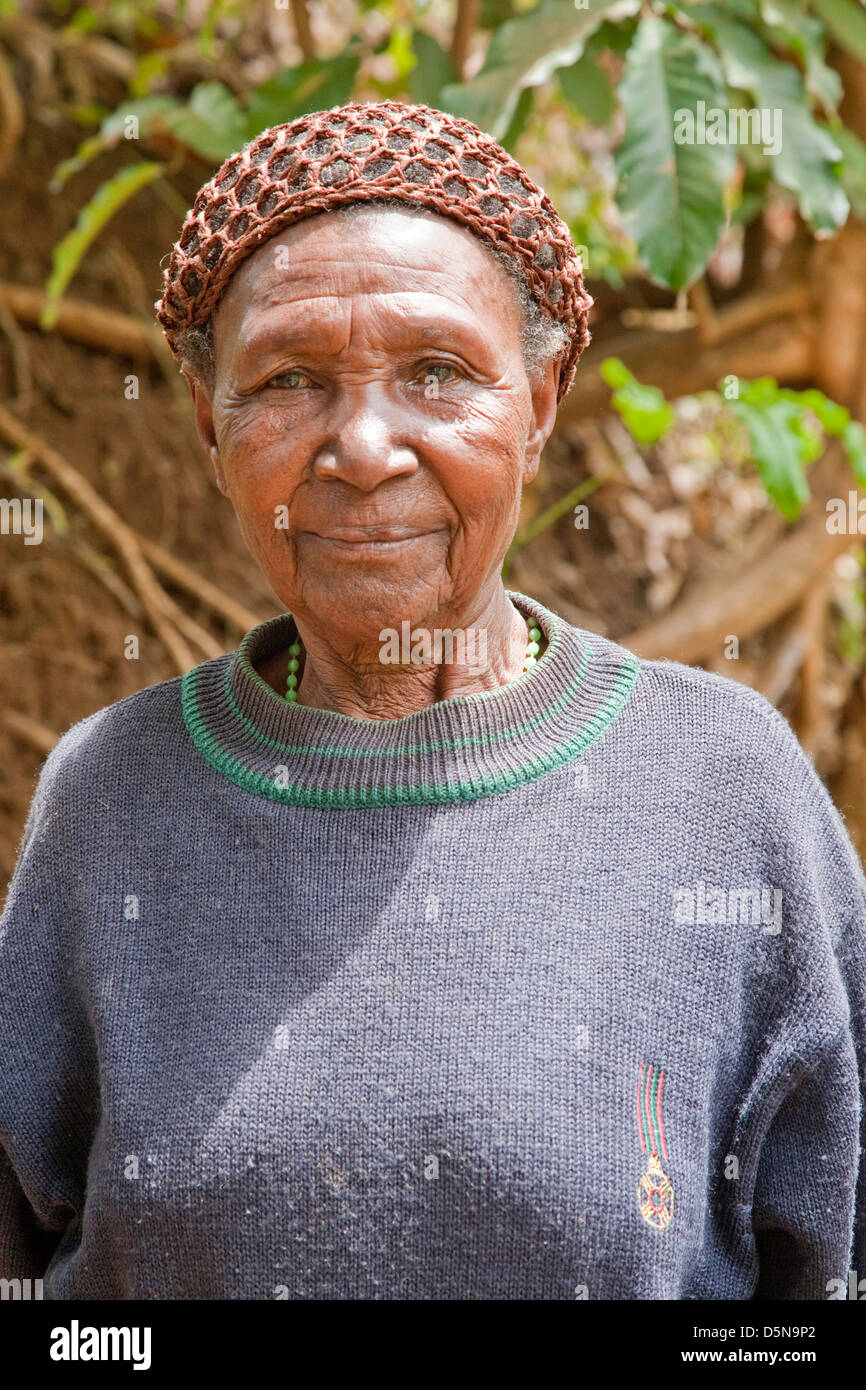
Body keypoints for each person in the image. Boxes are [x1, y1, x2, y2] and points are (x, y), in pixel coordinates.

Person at [1, 100, 864, 1300]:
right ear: (208, 421)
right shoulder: (110, 800)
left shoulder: (722, 790)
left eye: (437, 373)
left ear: (542, 400)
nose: (361, 446)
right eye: (290, 379)